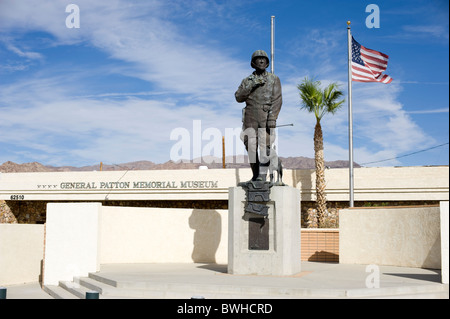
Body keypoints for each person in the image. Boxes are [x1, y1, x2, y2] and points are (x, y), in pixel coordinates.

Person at [235, 50, 282, 182]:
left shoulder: (274, 79)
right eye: (258, 59)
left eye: (264, 59)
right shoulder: (247, 80)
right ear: (253, 63)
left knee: (264, 146)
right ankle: (256, 175)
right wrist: (252, 84)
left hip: (265, 116)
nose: (261, 61)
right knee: (250, 147)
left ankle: (262, 176)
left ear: (267, 63)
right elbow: (239, 97)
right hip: (250, 117)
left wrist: (272, 118)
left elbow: (277, 99)